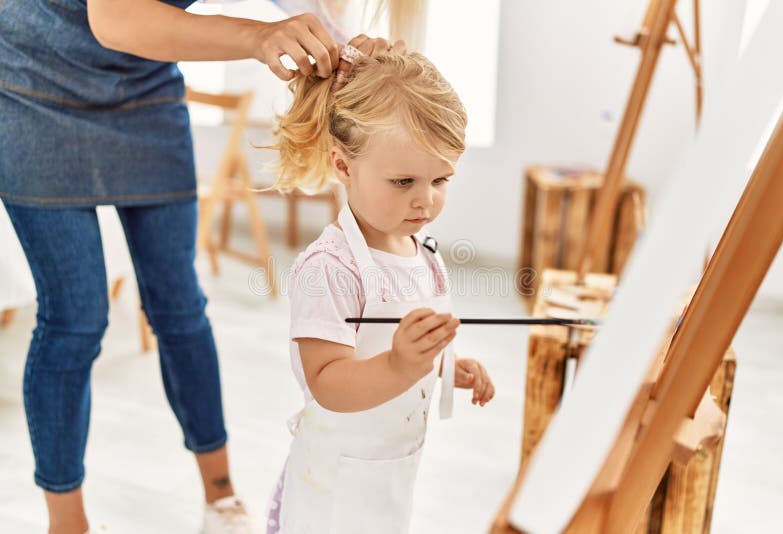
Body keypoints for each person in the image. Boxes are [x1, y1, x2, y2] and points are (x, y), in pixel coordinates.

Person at [0, 1, 400, 532]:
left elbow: (315, 16)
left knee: (179, 308)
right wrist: (258, 37)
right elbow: (114, 19)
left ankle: (221, 498)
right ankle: (67, 524)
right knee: (75, 319)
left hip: (143, 88)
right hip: (34, 85)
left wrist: (348, 49)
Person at [265, 47, 496, 533]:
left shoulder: (423, 254)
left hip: (390, 475)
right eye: (403, 181)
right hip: (332, 489)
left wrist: (442, 366)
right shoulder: (330, 268)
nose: (425, 200)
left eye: (440, 179)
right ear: (343, 166)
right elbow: (326, 382)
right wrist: (400, 365)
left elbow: (402, 347)